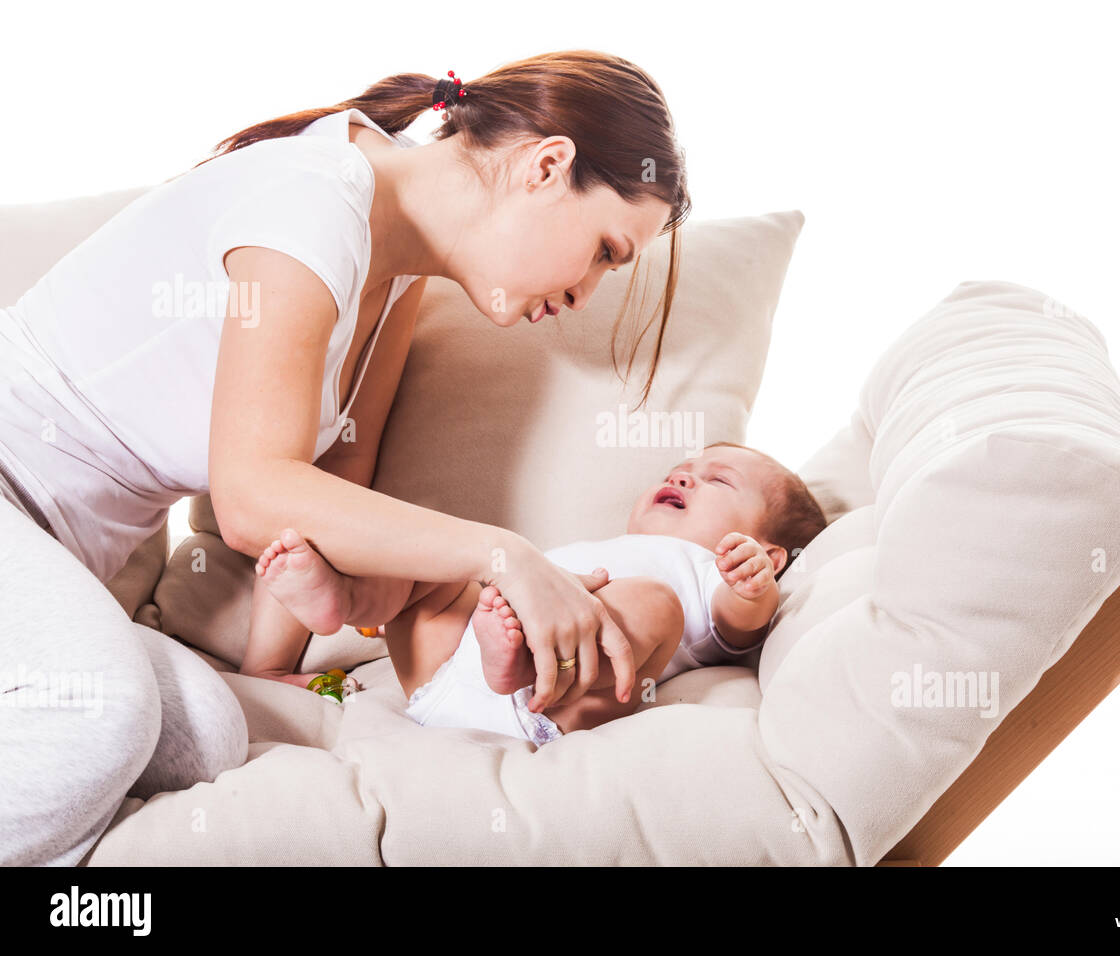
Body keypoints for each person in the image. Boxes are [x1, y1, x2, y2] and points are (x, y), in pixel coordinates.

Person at [0, 50, 690, 866]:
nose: (587, 292)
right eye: (608, 251)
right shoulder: (312, 199)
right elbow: (255, 494)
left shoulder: (394, 269)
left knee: (211, 734)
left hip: (44, 567)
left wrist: (267, 671)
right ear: (547, 165)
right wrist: (510, 557)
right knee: (103, 714)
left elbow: (327, 500)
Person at [254, 443, 829, 745]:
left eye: (717, 479)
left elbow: (741, 625)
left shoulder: (707, 572)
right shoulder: (598, 546)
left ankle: (525, 658)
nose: (684, 477)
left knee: (657, 606)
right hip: (445, 674)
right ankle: (345, 600)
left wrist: (751, 587)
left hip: (546, 707)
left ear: (769, 553)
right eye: (682, 468)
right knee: (434, 564)